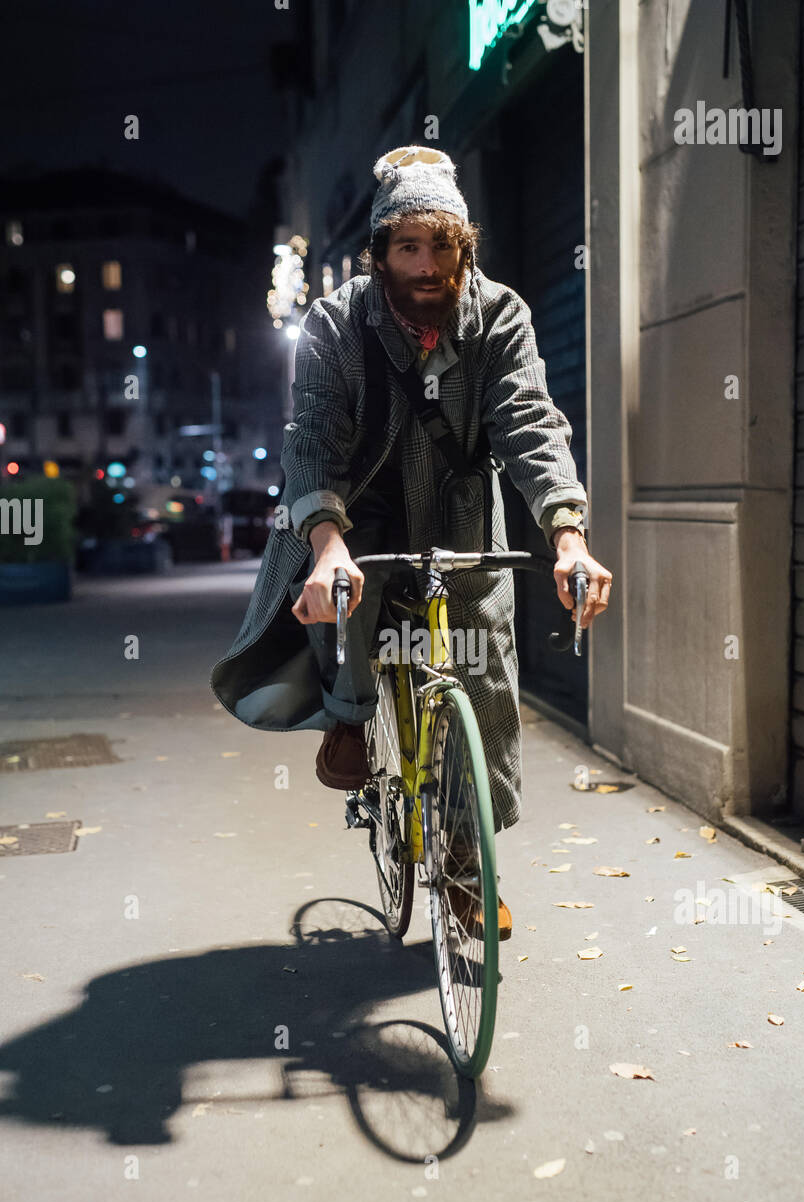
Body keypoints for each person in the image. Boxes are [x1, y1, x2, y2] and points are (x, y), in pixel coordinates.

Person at [211, 145, 612, 938]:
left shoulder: (500, 316)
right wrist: (324, 542)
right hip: (356, 510)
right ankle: (354, 714)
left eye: (442, 245)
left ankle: (466, 869)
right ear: (379, 253)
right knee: (346, 597)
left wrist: (568, 533)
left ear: (465, 247)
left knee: (483, 673)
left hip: (462, 515)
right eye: (408, 246)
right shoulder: (335, 321)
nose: (427, 265)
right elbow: (314, 438)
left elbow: (530, 424)